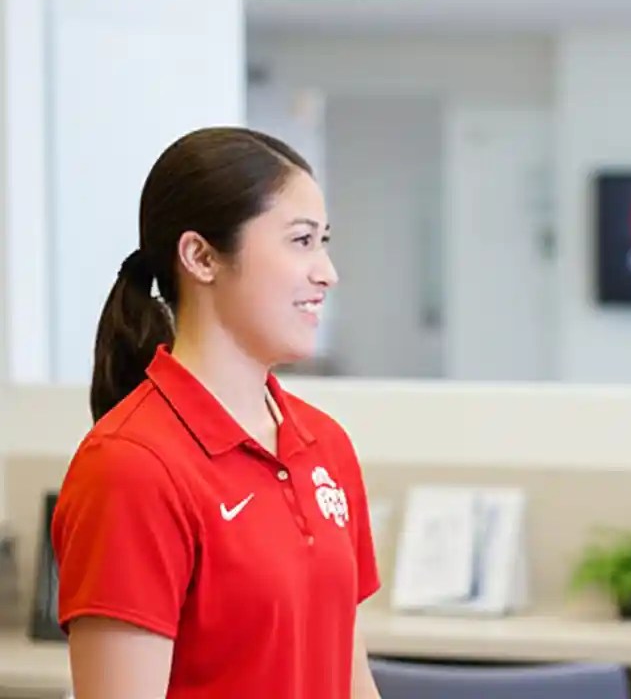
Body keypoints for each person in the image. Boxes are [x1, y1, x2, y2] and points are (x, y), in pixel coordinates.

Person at [50, 127, 383, 699]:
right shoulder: (130, 467)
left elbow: (351, 681)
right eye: (301, 242)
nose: (327, 271)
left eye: (323, 241)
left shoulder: (324, 444)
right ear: (200, 256)